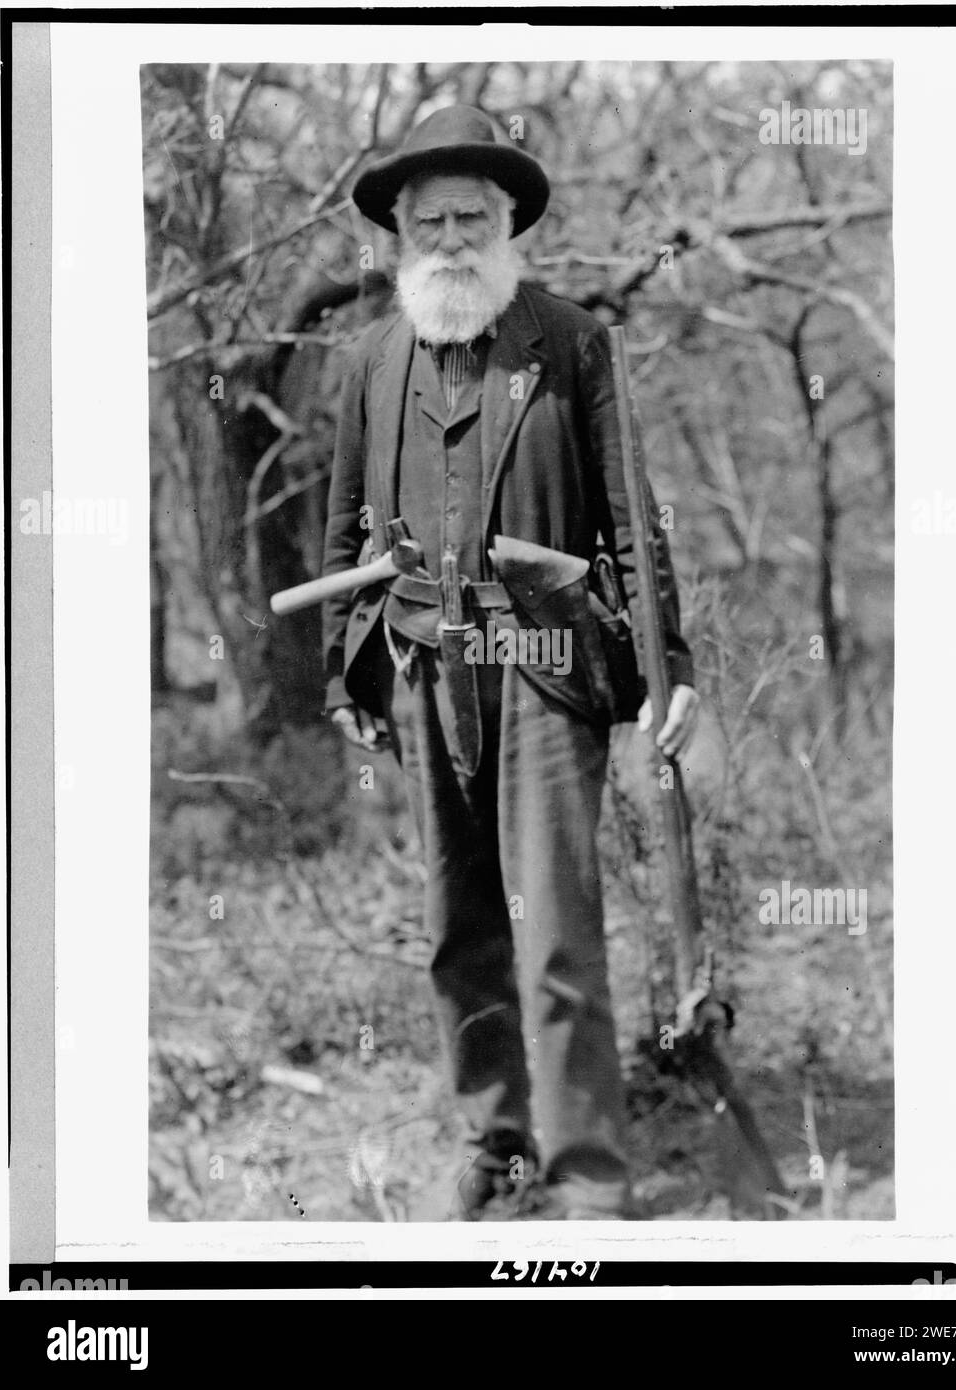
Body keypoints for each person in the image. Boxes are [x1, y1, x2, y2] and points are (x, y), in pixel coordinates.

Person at [322, 104, 699, 1219]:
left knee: (556, 928)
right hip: (424, 664)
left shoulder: (574, 342)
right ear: (397, 229)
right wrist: (349, 667)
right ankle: (496, 1142)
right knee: (459, 931)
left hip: (541, 662)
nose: (448, 236)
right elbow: (341, 535)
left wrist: (664, 664)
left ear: (505, 225)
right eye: (428, 216)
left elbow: (634, 523)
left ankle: (588, 1173)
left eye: (470, 216)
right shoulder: (371, 360)